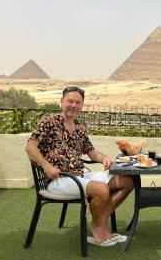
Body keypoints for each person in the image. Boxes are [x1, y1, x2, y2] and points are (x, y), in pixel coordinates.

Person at [25, 86, 134, 247]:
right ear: (62, 101)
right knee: (102, 189)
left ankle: (100, 219)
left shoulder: (80, 128)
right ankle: (98, 228)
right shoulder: (49, 121)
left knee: (127, 181)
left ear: (82, 105)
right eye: (70, 101)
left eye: (78, 102)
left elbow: (91, 152)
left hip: (81, 175)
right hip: (60, 179)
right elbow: (30, 147)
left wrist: (103, 158)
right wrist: (47, 166)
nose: (73, 105)